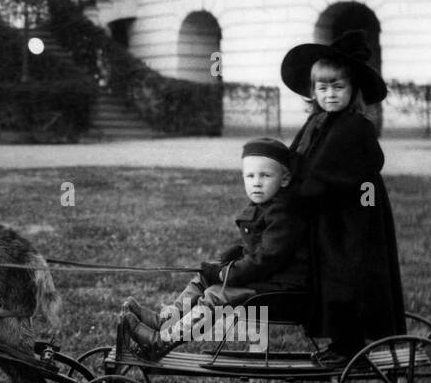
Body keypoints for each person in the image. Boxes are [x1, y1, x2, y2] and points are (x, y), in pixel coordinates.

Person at [117, 137, 310, 359]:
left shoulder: (284, 214)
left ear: (285, 179)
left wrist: (223, 273)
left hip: (282, 289)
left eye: (265, 175)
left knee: (215, 294)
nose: (257, 182)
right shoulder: (266, 206)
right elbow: (260, 247)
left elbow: (267, 258)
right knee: (203, 279)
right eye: (250, 176)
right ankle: (165, 321)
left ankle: (160, 342)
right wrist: (233, 255)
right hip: (264, 280)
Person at [280, 29, 406, 367]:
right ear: (313, 91)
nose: (330, 94)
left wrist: (297, 196)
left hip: (353, 218)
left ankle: (350, 348)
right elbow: (298, 158)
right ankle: (340, 342)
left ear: (353, 90)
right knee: (329, 276)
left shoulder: (353, 127)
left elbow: (326, 174)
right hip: (332, 215)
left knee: (345, 278)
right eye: (322, 88)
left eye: (338, 87)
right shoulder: (319, 122)